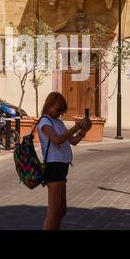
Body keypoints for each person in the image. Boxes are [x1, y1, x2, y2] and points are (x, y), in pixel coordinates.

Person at [37, 91, 90, 230]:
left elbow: (72, 141)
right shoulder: (44, 121)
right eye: (57, 108)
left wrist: (83, 131)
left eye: (62, 110)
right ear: (49, 105)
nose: (60, 112)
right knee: (54, 211)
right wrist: (77, 126)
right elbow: (58, 139)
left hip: (62, 166)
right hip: (53, 167)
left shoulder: (58, 122)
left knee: (61, 210)